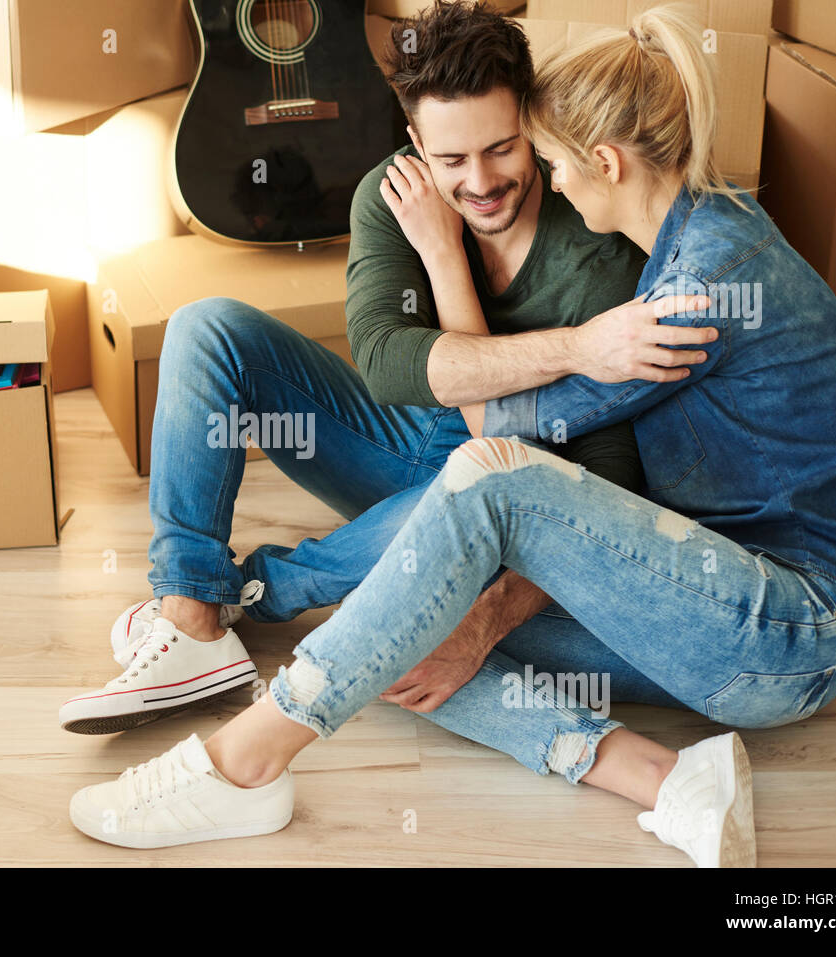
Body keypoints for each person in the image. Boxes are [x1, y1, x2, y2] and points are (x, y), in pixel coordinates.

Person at [67, 2, 836, 867]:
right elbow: (401, 371)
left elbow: (518, 447)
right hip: (708, 591)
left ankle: (244, 757)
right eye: (451, 155)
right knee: (401, 632)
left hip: (792, 624)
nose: (534, 174)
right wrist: (570, 343)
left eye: (539, 156)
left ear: (601, 162)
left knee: (466, 518)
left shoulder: (687, 296)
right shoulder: (678, 250)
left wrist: (490, 601)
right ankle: (663, 778)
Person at [59, 0, 714, 735]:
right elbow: (384, 365)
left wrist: (455, 278)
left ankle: (235, 595)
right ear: (414, 143)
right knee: (205, 327)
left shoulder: (595, 239)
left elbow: (606, 477)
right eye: (451, 159)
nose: (480, 183)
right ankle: (188, 615)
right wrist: (562, 337)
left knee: (491, 474)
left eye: (501, 149)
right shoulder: (396, 192)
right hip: (394, 440)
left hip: (504, 495)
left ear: (531, 124)